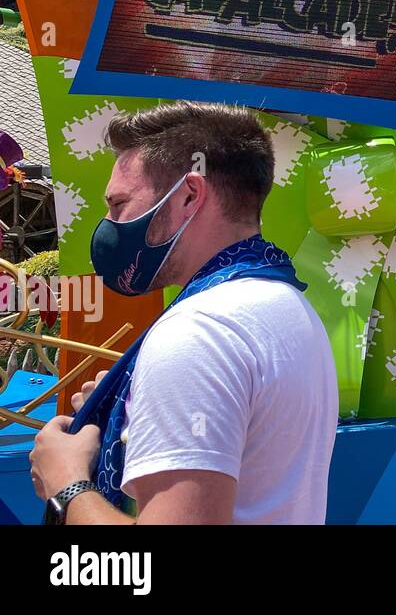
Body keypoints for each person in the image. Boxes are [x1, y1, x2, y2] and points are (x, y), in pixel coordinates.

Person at [29, 102, 338, 524]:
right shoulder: (285, 304)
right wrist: (141, 411)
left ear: (189, 196)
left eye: (119, 204)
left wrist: (66, 483)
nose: (109, 223)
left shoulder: (199, 333)